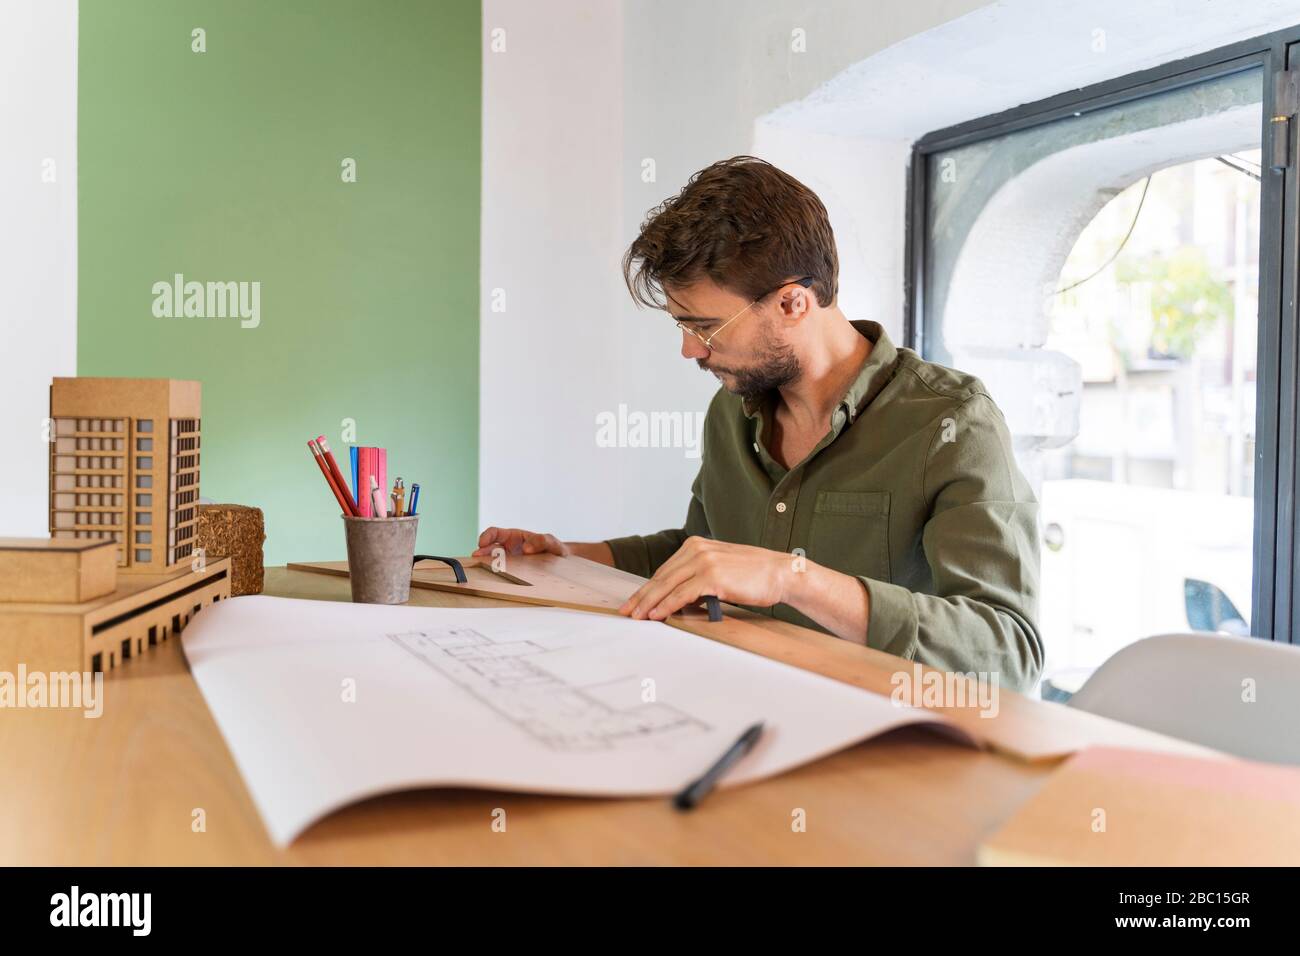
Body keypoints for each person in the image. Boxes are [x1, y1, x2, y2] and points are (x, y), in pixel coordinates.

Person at [477, 156, 1043, 691]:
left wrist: (793, 578)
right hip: (739, 712)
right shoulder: (732, 409)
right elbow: (704, 552)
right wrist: (569, 554)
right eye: (682, 325)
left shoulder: (951, 423)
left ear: (794, 303)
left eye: (705, 327)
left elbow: (1009, 653)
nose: (688, 351)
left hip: (884, 749)